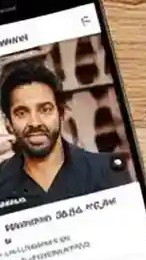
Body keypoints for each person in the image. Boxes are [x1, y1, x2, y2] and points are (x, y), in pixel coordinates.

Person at [0, 61, 131, 206]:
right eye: (21, 113)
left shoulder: (107, 171)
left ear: (61, 113)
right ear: (8, 123)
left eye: (45, 109)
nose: (35, 123)